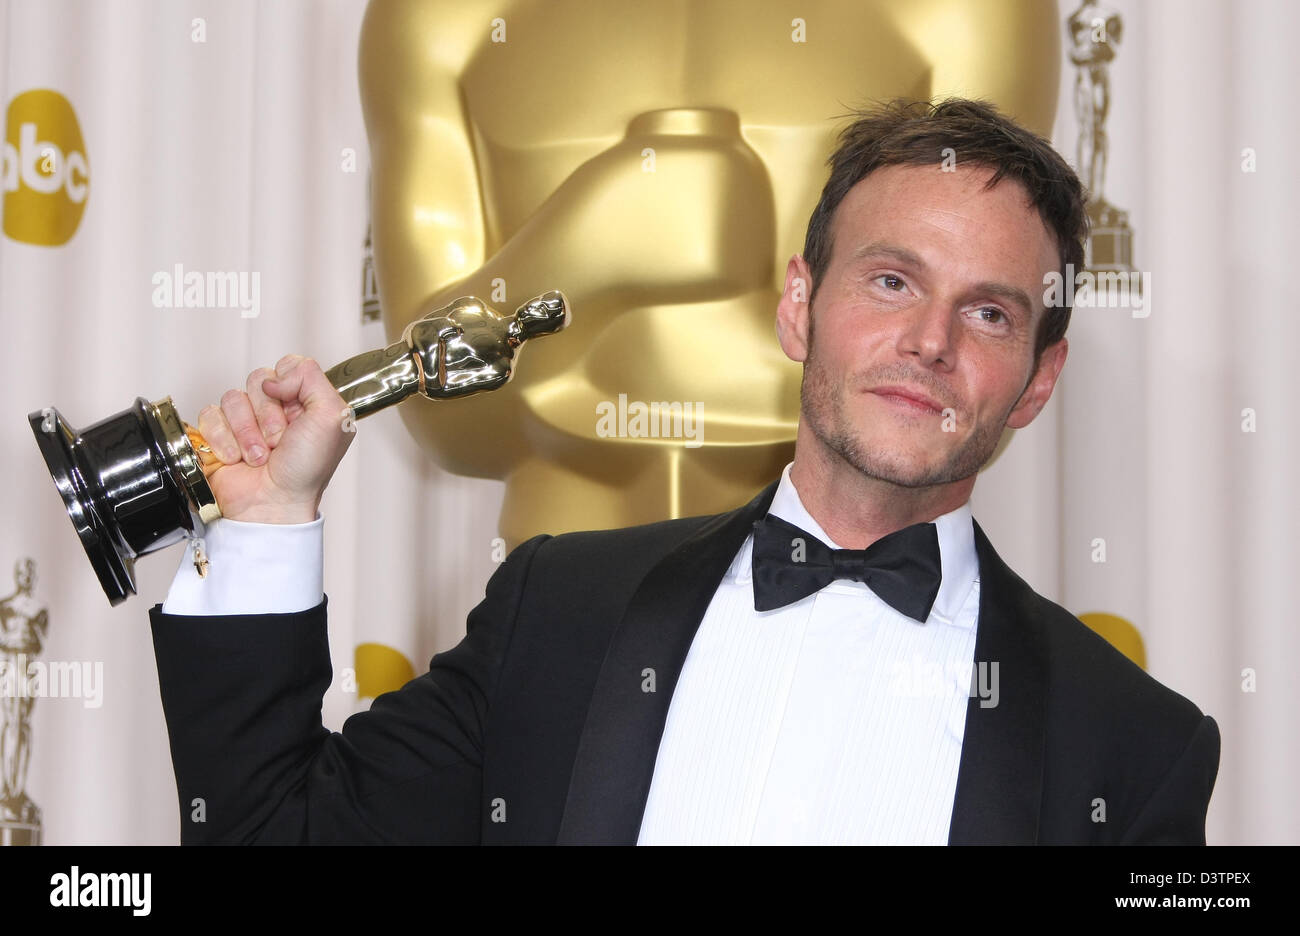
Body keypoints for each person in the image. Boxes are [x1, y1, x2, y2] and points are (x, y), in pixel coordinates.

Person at [149, 98, 1220, 844]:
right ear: (800, 306)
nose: (929, 340)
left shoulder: (1131, 743)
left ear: (1037, 379)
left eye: (988, 312)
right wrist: (270, 519)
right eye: (891, 280)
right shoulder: (561, 612)